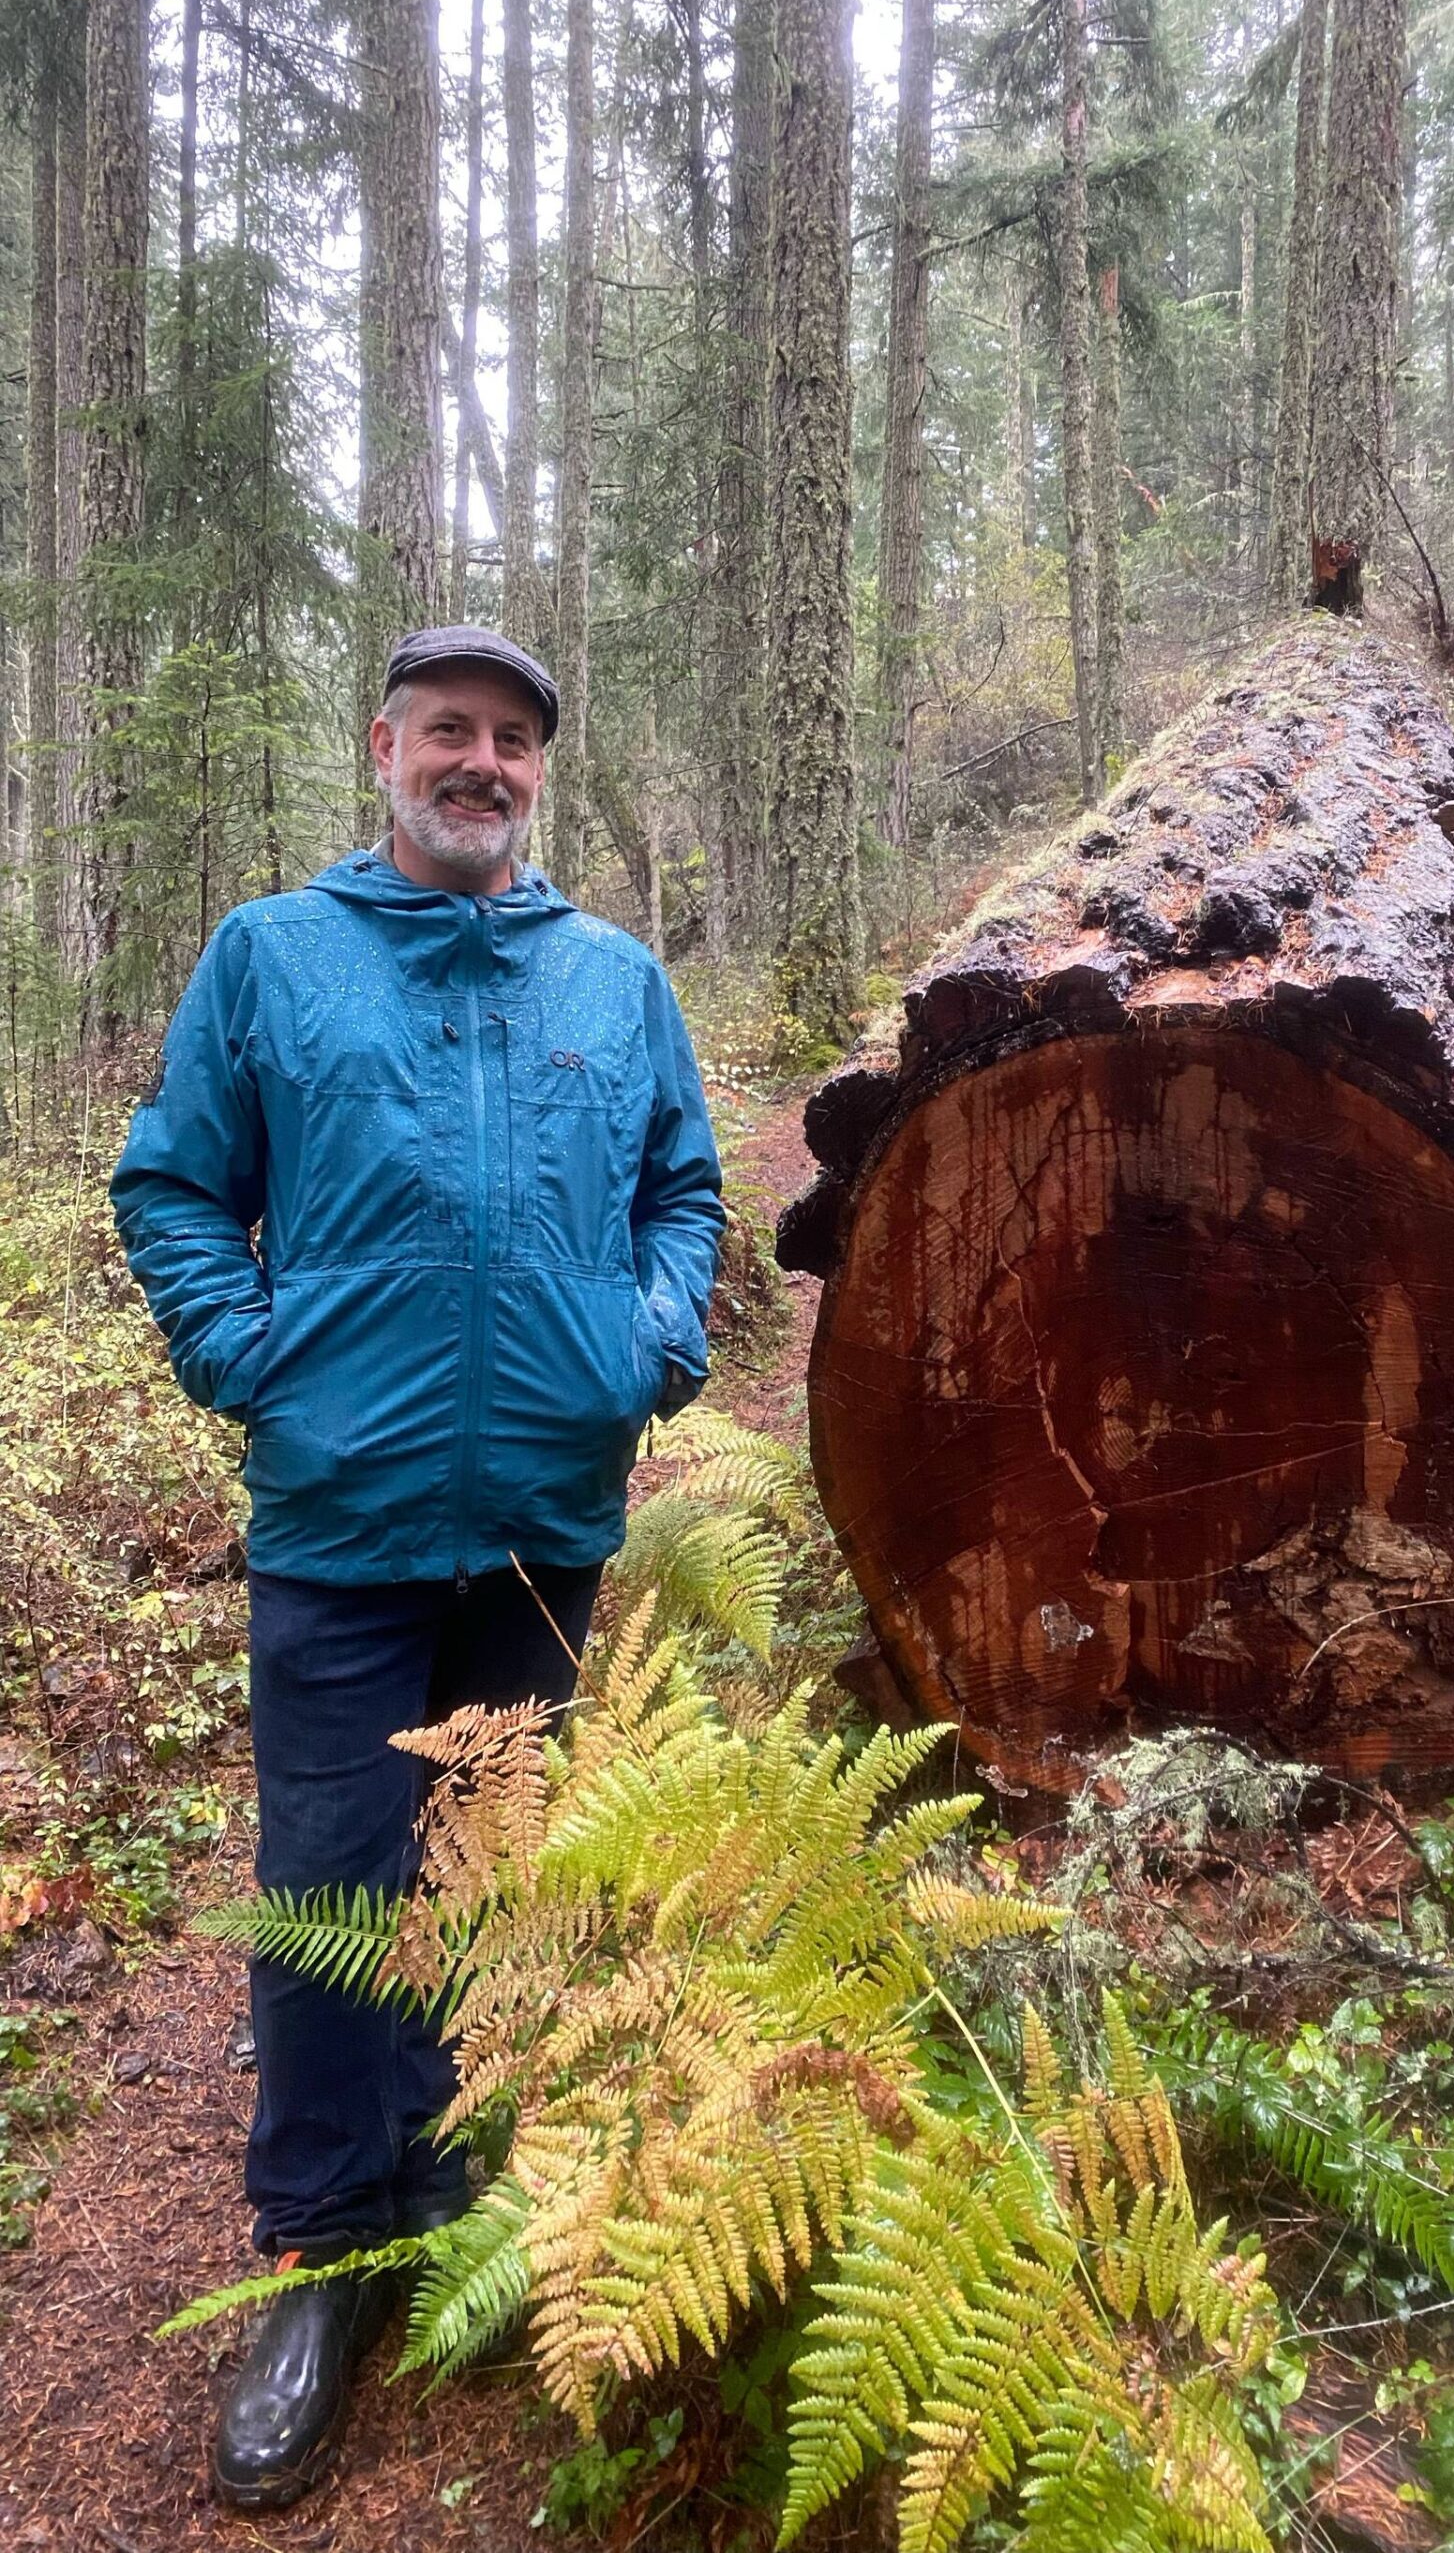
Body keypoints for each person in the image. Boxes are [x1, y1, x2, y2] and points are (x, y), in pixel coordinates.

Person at [111, 626, 725, 2510]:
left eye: (513, 740)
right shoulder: (274, 958)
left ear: (542, 774)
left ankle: (455, 2178)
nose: (480, 762)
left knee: (499, 1853)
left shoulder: (613, 982)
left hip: (544, 1511)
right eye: (448, 731)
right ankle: (319, 2255)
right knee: (331, 1879)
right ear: (385, 748)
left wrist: (649, 1349)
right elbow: (171, 1185)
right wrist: (253, 1363)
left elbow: (682, 1193)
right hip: (342, 1517)